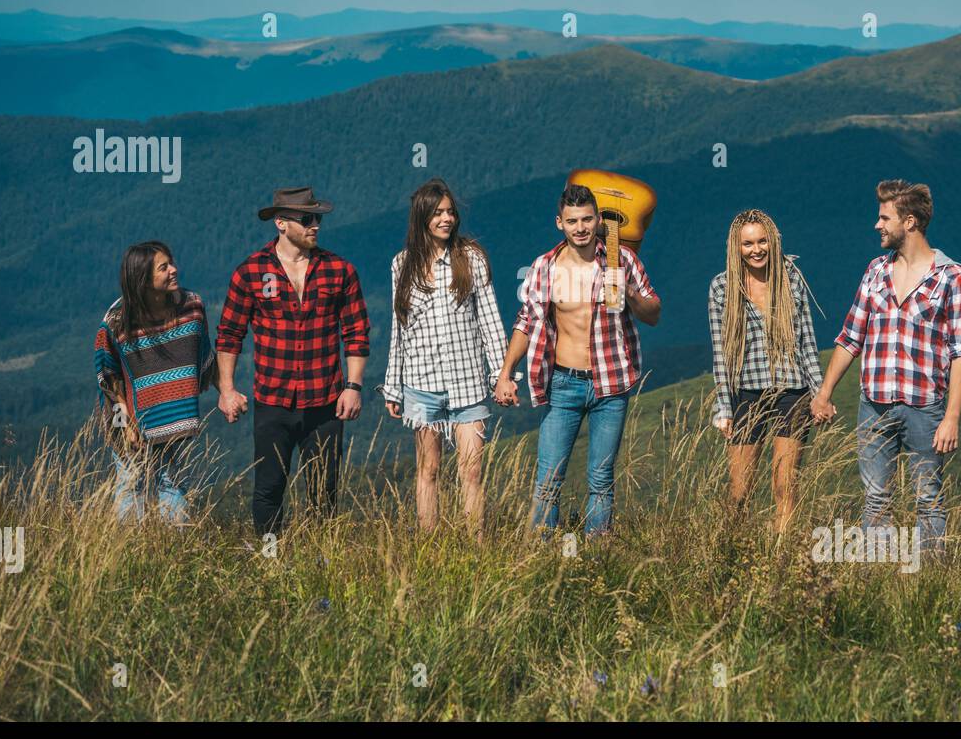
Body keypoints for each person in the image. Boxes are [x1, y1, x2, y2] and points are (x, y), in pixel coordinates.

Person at [810, 180, 961, 552]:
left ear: (911, 222)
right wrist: (824, 393)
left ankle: (931, 585)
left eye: (885, 217)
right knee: (875, 500)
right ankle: (879, 579)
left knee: (928, 500)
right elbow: (851, 336)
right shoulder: (875, 272)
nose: (877, 224)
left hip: (925, 408)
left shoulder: (954, 279)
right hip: (874, 406)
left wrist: (952, 417)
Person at [495, 183, 661, 537]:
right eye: (573, 221)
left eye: (587, 219)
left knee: (601, 478)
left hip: (610, 383)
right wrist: (506, 372)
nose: (581, 228)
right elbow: (527, 321)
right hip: (563, 383)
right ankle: (542, 555)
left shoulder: (622, 260)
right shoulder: (545, 268)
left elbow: (653, 313)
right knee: (549, 477)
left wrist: (629, 292)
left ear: (599, 220)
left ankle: (597, 557)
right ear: (560, 223)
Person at [216, 187, 371, 537]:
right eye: (307, 218)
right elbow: (229, 334)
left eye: (317, 217)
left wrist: (353, 386)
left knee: (324, 492)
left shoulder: (339, 271)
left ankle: (322, 561)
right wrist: (226, 389)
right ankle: (270, 560)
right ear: (281, 223)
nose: (315, 225)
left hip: (326, 401)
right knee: (269, 489)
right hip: (273, 401)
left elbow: (357, 332)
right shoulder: (251, 272)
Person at [379, 179, 508, 540]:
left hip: (468, 382)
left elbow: (490, 320)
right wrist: (393, 387)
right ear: (422, 217)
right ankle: (430, 546)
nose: (447, 219)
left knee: (471, 471)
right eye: (438, 213)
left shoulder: (472, 258)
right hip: (421, 384)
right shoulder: (401, 265)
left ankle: (477, 547)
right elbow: (399, 328)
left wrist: (501, 375)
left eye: (450, 212)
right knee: (428, 470)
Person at [709, 209, 823, 532]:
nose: (756, 249)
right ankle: (733, 550)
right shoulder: (722, 288)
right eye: (748, 244)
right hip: (746, 392)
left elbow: (807, 342)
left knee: (785, 487)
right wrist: (724, 406)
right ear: (736, 247)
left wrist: (819, 393)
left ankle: (780, 556)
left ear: (773, 241)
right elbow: (720, 352)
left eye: (762, 241)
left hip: (792, 391)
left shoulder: (791, 279)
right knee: (739, 490)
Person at [94, 241, 217, 524]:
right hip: (128, 419)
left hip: (175, 419)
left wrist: (228, 393)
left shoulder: (192, 307)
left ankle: (172, 555)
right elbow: (108, 377)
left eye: (171, 262)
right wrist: (125, 425)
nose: (174, 270)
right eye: (164, 267)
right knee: (132, 484)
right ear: (143, 280)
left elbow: (204, 357)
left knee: (173, 483)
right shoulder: (116, 321)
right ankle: (128, 555)